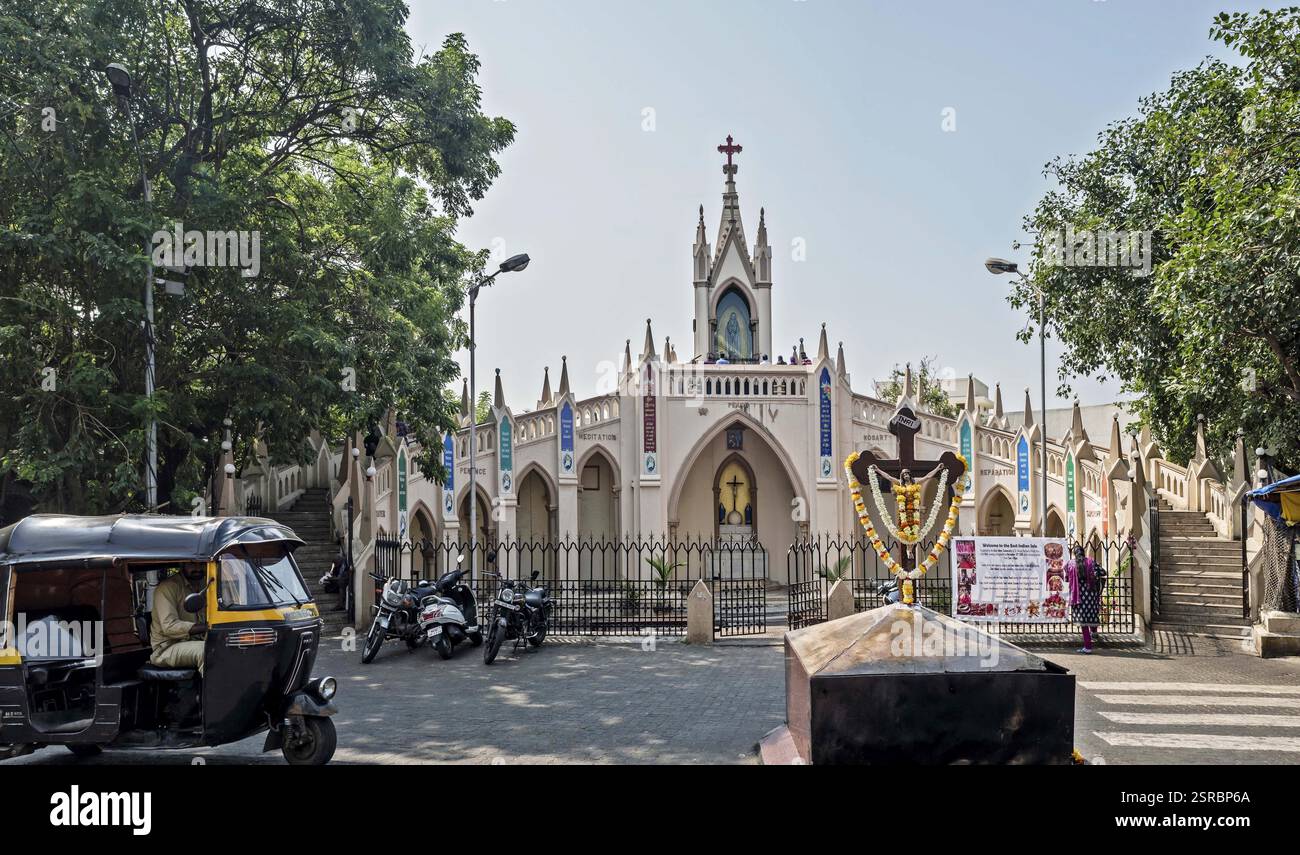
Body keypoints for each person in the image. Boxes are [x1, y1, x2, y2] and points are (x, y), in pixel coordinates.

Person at [150, 564, 207, 676]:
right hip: (167, 648)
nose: (198, 568)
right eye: (192, 564)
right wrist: (207, 627)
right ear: (182, 564)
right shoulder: (168, 587)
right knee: (207, 650)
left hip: (198, 641)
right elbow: (169, 627)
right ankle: (218, 687)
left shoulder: (207, 584)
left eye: (201, 563)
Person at [1067, 545, 1105, 653]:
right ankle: (1094, 632)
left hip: (1078, 596)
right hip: (1091, 595)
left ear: (1074, 554)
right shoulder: (1091, 562)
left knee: (1083, 622)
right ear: (1083, 552)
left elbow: (1066, 578)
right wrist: (1093, 574)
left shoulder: (1071, 564)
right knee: (1091, 615)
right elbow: (1103, 572)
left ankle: (1088, 647)